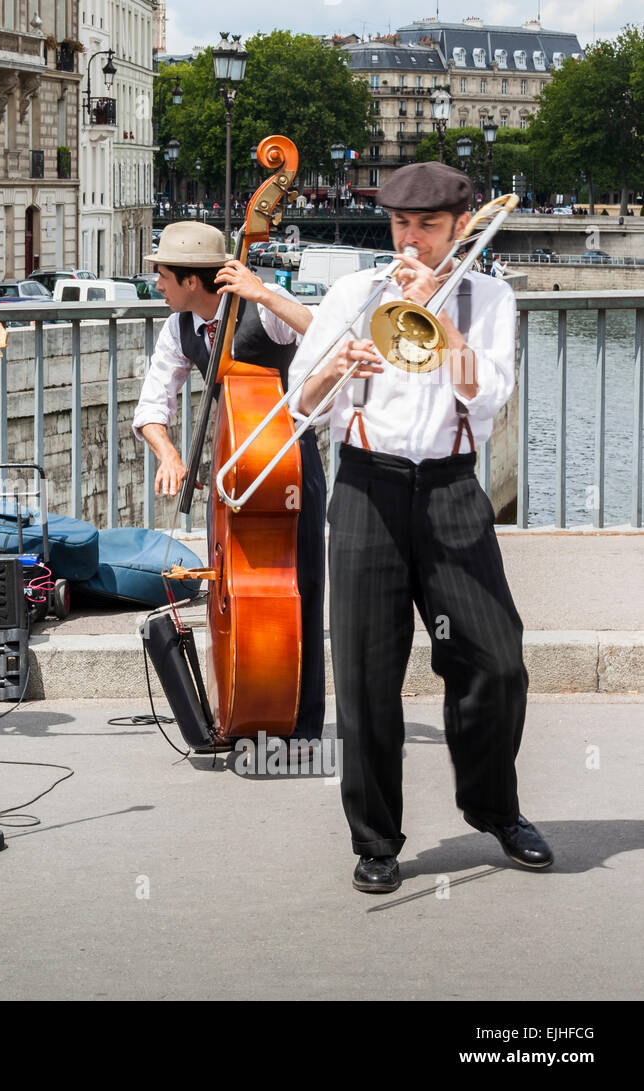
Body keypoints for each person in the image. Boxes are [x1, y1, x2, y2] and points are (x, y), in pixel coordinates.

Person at [288, 161, 551, 894]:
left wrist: (437, 318)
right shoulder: (352, 292)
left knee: (497, 661)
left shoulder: (489, 297)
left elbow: (490, 393)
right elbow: (299, 406)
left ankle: (494, 807)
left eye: (428, 227)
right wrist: (335, 365)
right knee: (368, 674)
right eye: (401, 224)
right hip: (368, 486)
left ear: (459, 226)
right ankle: (375, 838)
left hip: (450, 488)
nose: (412, 240)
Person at [132, 221, 326, 741]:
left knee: (299, 588)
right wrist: (170, 453)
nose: (157, 284)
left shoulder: (262, 305)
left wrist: (265, 292)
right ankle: (246, 704)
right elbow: (153, 404)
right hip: (229, 461)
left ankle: (303, 724)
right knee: (238, 588)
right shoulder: (178, 328)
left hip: (286, 458)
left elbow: (325, 331)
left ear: (192, 281)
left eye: (163, 276)